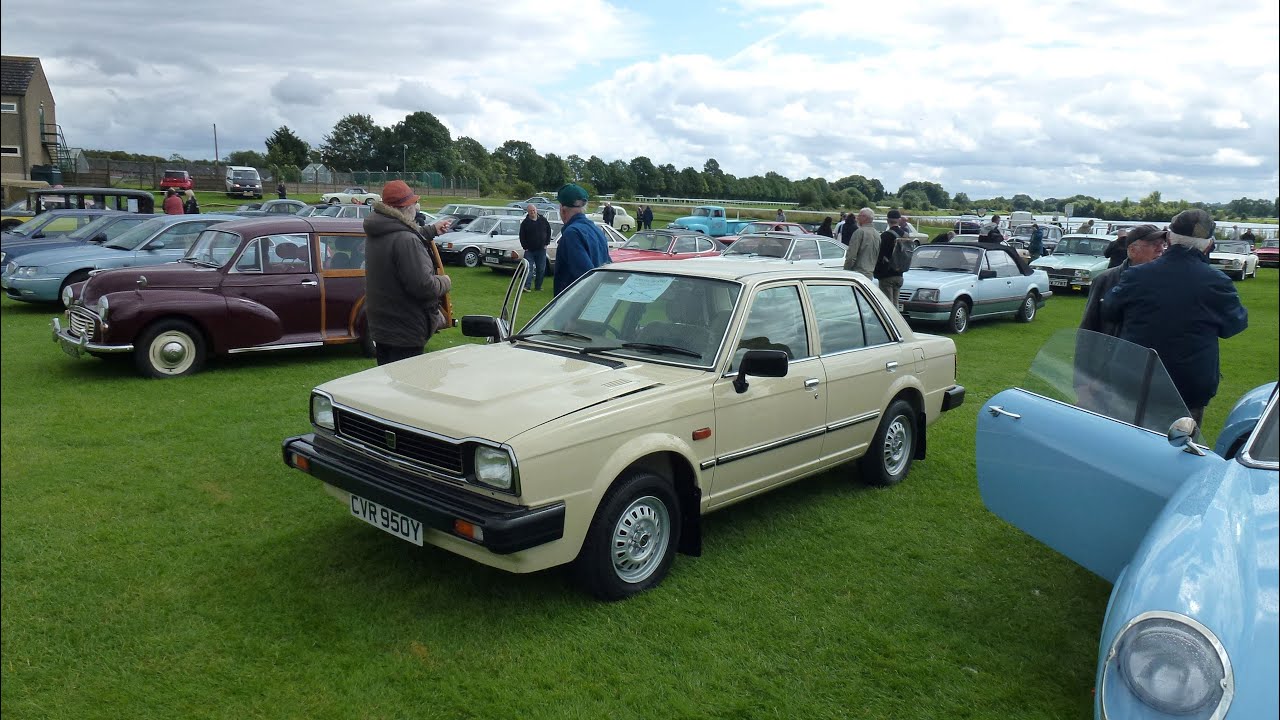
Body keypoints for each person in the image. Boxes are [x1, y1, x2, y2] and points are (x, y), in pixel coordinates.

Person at [1102, 209, 1249, 428]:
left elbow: (1110, 311)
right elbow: (1234, 325)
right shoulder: (1216, 282)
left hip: (1135, 378)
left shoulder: (1137, 275)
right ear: (1209, 245)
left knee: (1127, 446)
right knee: (1180, 448)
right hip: (1187, 385)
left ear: (1169, 239)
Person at [362, 180, 454, 366]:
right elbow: (423, 286)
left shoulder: (379, 231)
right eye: (413, 203)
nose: (416, 208)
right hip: (405, 329)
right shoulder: (406, 240)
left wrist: (432, 230)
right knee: (407, 389)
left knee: (390, 384)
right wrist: (445, 281)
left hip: (383, 327)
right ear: (404, 207)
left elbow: (402, 233)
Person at [1079, 224, 1166, 337]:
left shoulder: (1167, 281)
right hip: (1113, 351)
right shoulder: (1105, 279)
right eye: (1154, 244)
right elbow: (1089, 325)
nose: (1160, 250)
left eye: (1163, 245)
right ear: (1132, 250)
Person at [553, 183, 610, 296]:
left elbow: (585, 276)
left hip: (576, 304)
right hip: (599, 298)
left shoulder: (572, 234)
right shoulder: (596, 230)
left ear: (563, 209)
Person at [874, 212, 910, 298]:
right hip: (900, 274)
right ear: (899, 220)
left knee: (887, 304)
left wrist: (876, 272)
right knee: (895, 303)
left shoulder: (885, 236)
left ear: (887, 220)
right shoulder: (905, 235)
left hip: (886, 274)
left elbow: (879, 255)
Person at [519, 203, 552, 292]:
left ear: (536, 210)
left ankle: (538, 286)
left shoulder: (543, 220)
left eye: (534, 210)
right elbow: (522, 236)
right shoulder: (525, 223)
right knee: (528, 268)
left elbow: (549, 232)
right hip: (529, 250)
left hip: (541, 249)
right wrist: (525, 247)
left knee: (541, 269)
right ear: (528, 212)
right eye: (530, 211)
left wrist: (546, 243)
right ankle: (527, 286)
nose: (532, 212)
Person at [842, 208, 879, 280]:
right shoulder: (877, 234)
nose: (857, 218)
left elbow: (851, 256)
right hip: (870, 273)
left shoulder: (859, 232)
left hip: (857, 273)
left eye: (859, 216)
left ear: (865, 217)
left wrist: (846, 271)